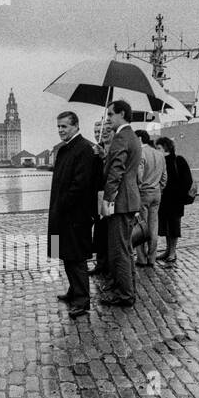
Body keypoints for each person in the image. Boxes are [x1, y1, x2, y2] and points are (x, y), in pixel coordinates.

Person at [47, 111, 100, 318]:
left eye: (64, 126)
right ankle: (73, 290)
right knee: (65, 254)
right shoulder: (65, 149)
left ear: (76, 126)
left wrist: (62, 205)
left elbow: (81, 185)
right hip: (62, 214)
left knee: (77, 257)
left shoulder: (84, 149)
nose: (60, 130)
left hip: (75, 216)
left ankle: (82, 300)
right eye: (58, 127)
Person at [98, 100, 142, 307]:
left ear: (122, 114)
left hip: (120, 201)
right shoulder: (132, 137)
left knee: (118, 250)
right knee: (124, 247)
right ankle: (125, 287)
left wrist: (107, 201)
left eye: (110, 115)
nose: (108, 119)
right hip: (130, 199)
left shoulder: (121, 137)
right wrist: (105, 156)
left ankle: (125, 295)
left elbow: (116, 172)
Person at [157, 135, 193, 264]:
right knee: (166, 227)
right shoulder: (160, 161)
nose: (157, 150)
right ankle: (168, 250)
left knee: (174, 227)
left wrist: (180, 195)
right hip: (163, 199)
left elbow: (187, 179)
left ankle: (172, 252)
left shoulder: (178, 160)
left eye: (159, 148)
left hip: (176, 200)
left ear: (166, 148)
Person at [135, 130, 167, 267]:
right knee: (154, 226)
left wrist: (138, 188)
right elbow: (164, 176)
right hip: (156, 193)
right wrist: (159, 188)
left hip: (143, 193)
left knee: (141, 226)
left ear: (139, 139)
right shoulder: (159, 154)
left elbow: (139, 175)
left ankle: (141, 258)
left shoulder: (140, 153)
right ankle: (152, 258)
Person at [89, 120, 110, 277]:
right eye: (96, 132)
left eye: (101, 131)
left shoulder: (111, 150)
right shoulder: (95, 149)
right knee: (99, 231)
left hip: (108, 197)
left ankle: (108, 265)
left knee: (107, 230)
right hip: (97, 197)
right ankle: (100, 263)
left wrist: (104, 158)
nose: (98, 134)